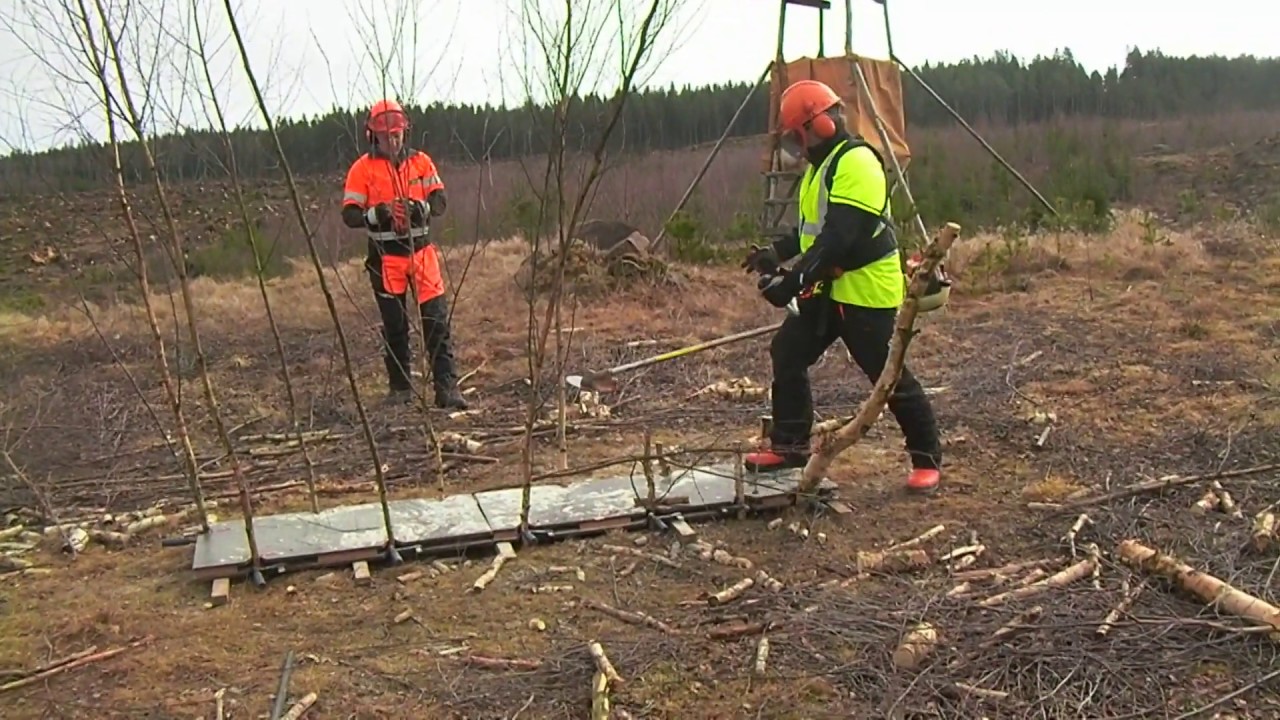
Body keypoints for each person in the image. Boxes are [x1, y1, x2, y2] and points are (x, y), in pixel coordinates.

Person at [741, 79, 943, 494]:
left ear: (817, 127)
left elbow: (841, 238)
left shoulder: (857, 163)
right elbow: (810, 233)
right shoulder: (822, 167)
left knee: (885, 373)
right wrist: (774, 254)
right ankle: (791, 445)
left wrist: (793, 282)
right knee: (788, 351)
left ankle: (926, 456)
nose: (796, 147)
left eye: (797, 136)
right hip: (829, 288)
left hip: (865, 290)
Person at [340, 98, 467, 409]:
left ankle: (446, 389)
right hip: (385, 259)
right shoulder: (362, 169)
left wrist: (419, 208)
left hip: (422, 254)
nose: (393, 141)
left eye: (397, 134)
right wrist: (376, 214)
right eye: (386, 136)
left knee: (436, 322)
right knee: (395, 326)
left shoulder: (421, 162)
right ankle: (400, 389)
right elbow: (349, 214)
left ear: (404, 132)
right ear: (373, 136)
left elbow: (440, 201)